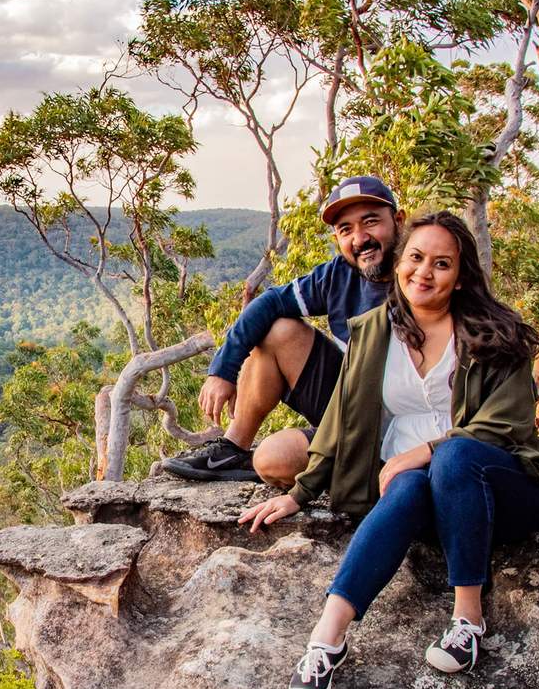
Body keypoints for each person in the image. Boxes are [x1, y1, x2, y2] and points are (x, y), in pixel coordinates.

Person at [236, 211, 539, 689]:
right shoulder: (374, 332)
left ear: (461, 276)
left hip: (499, 491)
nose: (424, 272)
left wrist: (424, 450)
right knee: (408, 485)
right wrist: (301, 492)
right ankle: (326, 640)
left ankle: (468, 620)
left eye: (441, 263)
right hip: (429, 496)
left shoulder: (496, 333)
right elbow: (341, 418)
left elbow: (509, 424)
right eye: (415, 258)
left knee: (451, 457)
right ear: (399, 262)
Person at [162, 175, 401, 485]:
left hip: (401, 428)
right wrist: (223, 370)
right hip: (352, 409)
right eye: (346, 229)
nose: (360, 238)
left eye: (371, 222)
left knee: (274, 460)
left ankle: (364, 469)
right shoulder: (340, 275)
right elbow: (271, 302)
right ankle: (232, 449)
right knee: (279, 331)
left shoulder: (422, 277)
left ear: (398, 221)